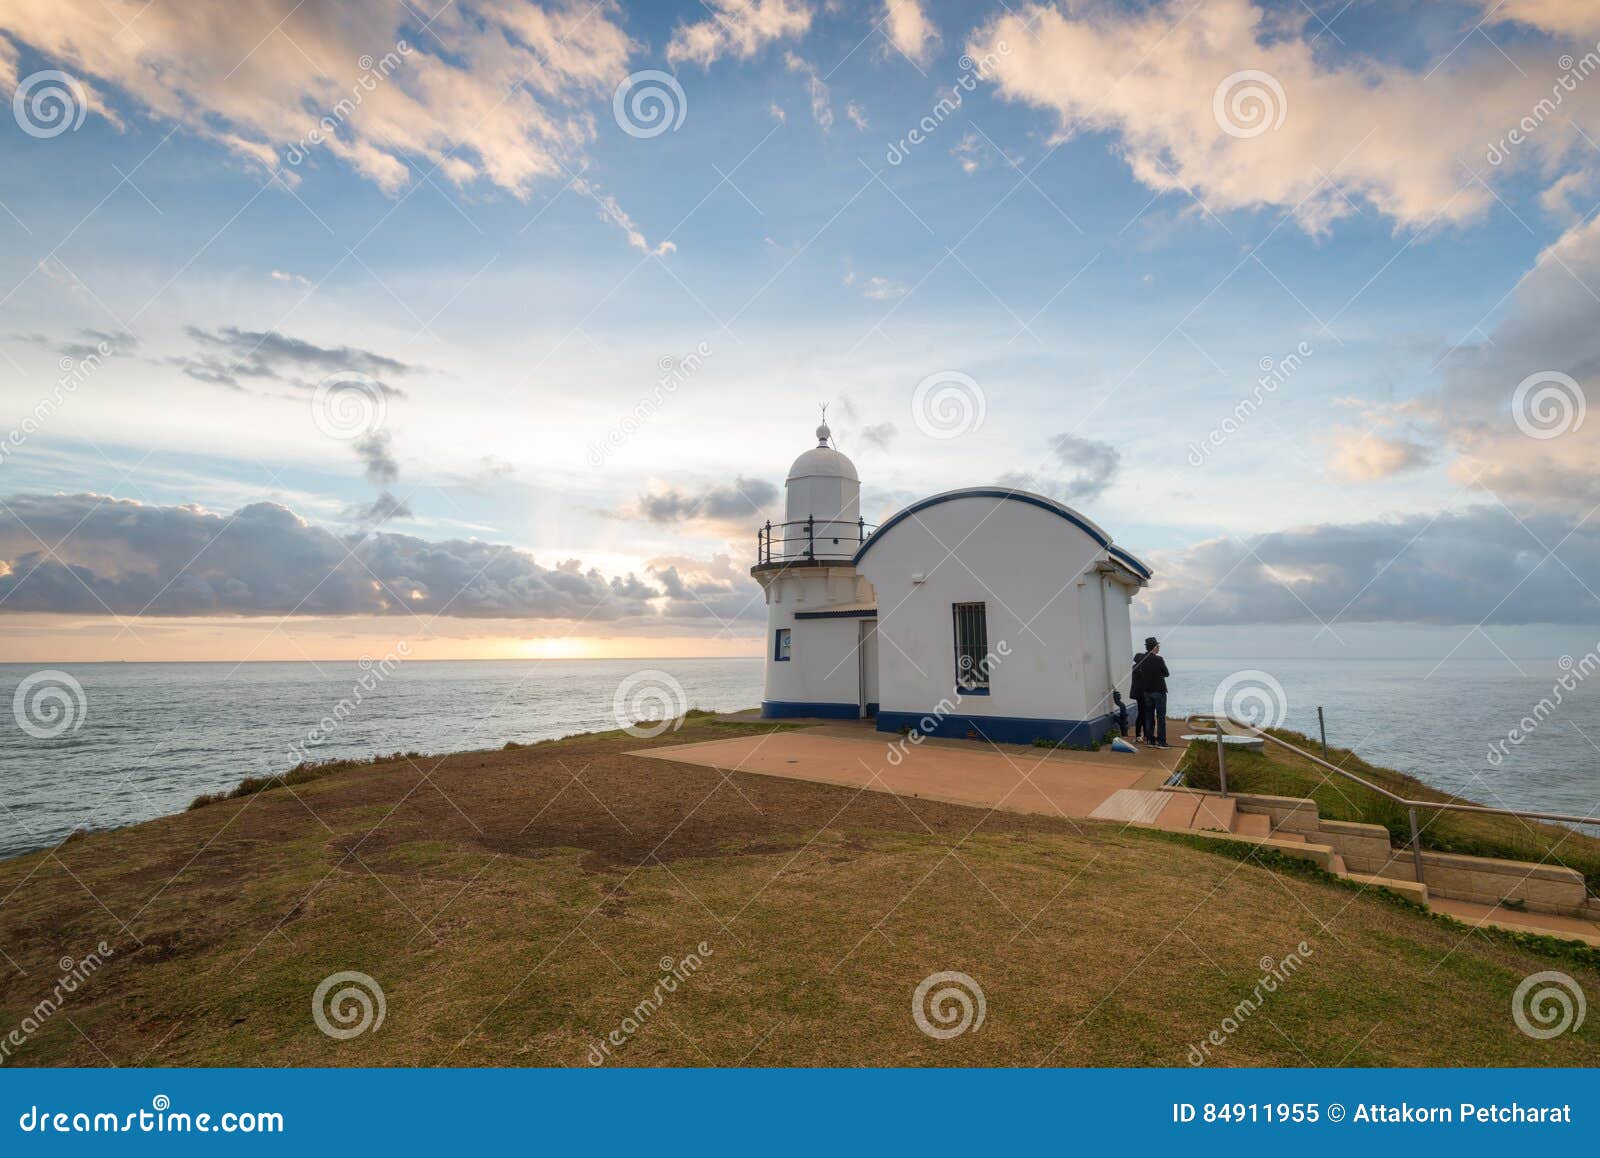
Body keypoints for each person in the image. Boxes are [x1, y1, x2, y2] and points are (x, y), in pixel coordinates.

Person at [1132, 637, 1170, 748]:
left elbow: (1136, 658)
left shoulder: (1141, 659)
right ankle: (1161, 741)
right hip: (1159, 691)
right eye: (1157, 646)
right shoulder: (1159, 659)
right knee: (1161, 717)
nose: (1159, 648)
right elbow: (1166, 673)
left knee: (1149, 716)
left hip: (1147, 692)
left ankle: (1150, 740)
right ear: (1153, 647)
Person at [1129, 649, 1149, 744]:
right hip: (1140, 695)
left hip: (1140, 695)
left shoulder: (1136, 667)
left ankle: (1145, 734)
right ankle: (1138, 735)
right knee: (1142, 714)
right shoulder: (1138, 668)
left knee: (1144, 714)